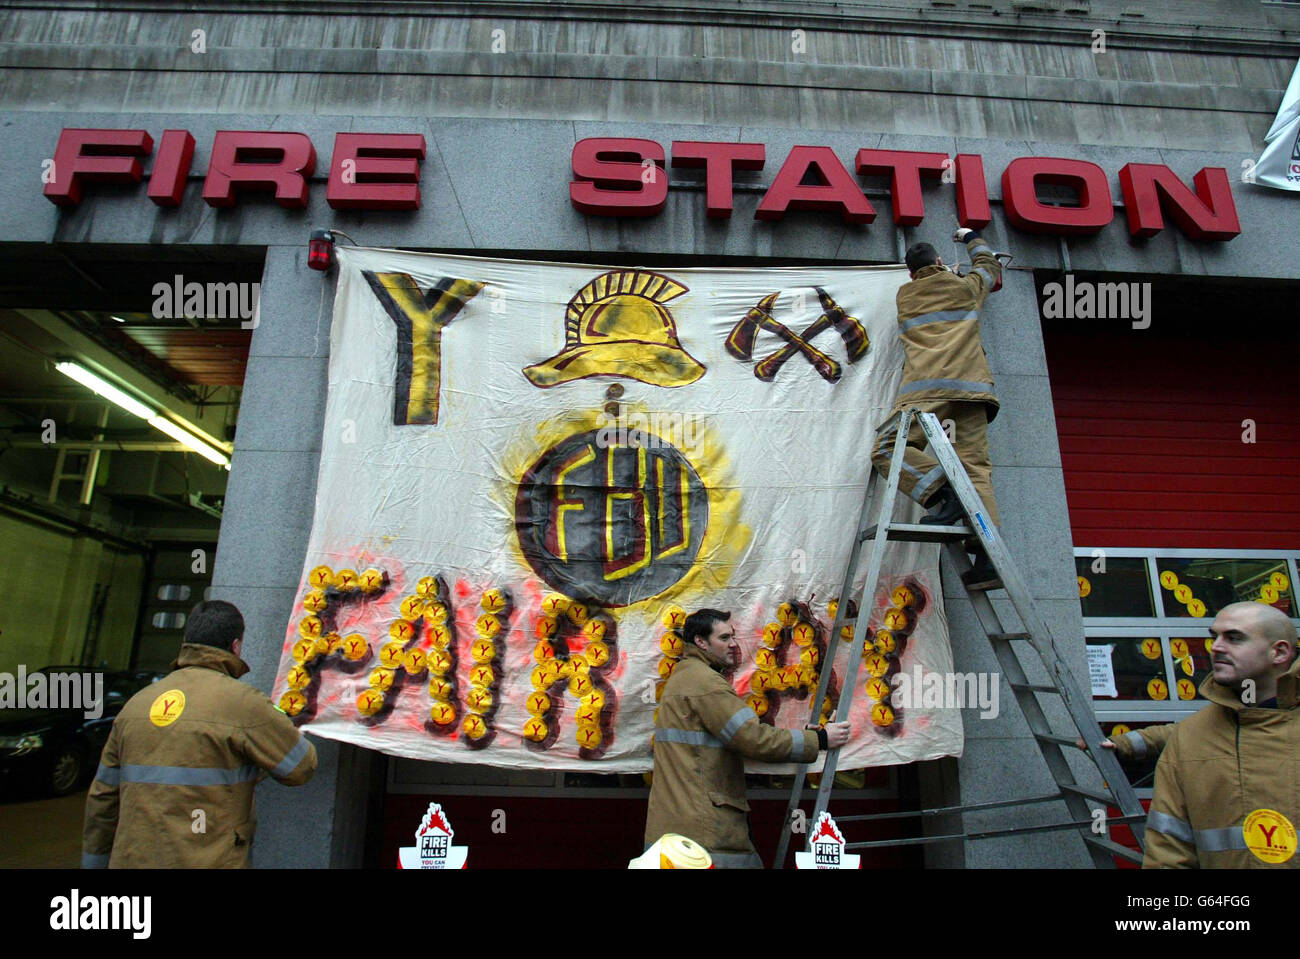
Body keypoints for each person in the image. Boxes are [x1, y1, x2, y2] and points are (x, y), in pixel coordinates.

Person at [82, 600, 317, 868]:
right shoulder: (245, 704)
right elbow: (302, 767)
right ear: (235, 647)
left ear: (186, 641)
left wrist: (94, 864)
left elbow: (102, 800)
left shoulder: (135, 705)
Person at [644, 608, 852, 868]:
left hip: (681, 828)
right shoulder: (705, 684)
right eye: (723, 638)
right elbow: (753, 738)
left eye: (732, 636)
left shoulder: (684, 678)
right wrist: (819, 740)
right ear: (700, 641)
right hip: (705, 831)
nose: (732, 644)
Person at [871, 226, 1004, 589]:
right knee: (974, 467)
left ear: (911, 273)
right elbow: (989, 267)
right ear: (941, 262)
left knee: (886, 450)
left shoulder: (906, 295)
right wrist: (972, 237)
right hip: (972, 390)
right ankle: (989, 557)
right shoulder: (965, 287)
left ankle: (945, 496)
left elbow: (932, 287)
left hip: (925, 392)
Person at [1143, 601, 1299, 868]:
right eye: (1214, 637)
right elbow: (1168, 852)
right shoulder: (1188, 738)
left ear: (1279, 652)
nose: (1215, 647)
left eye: (1234, 638)